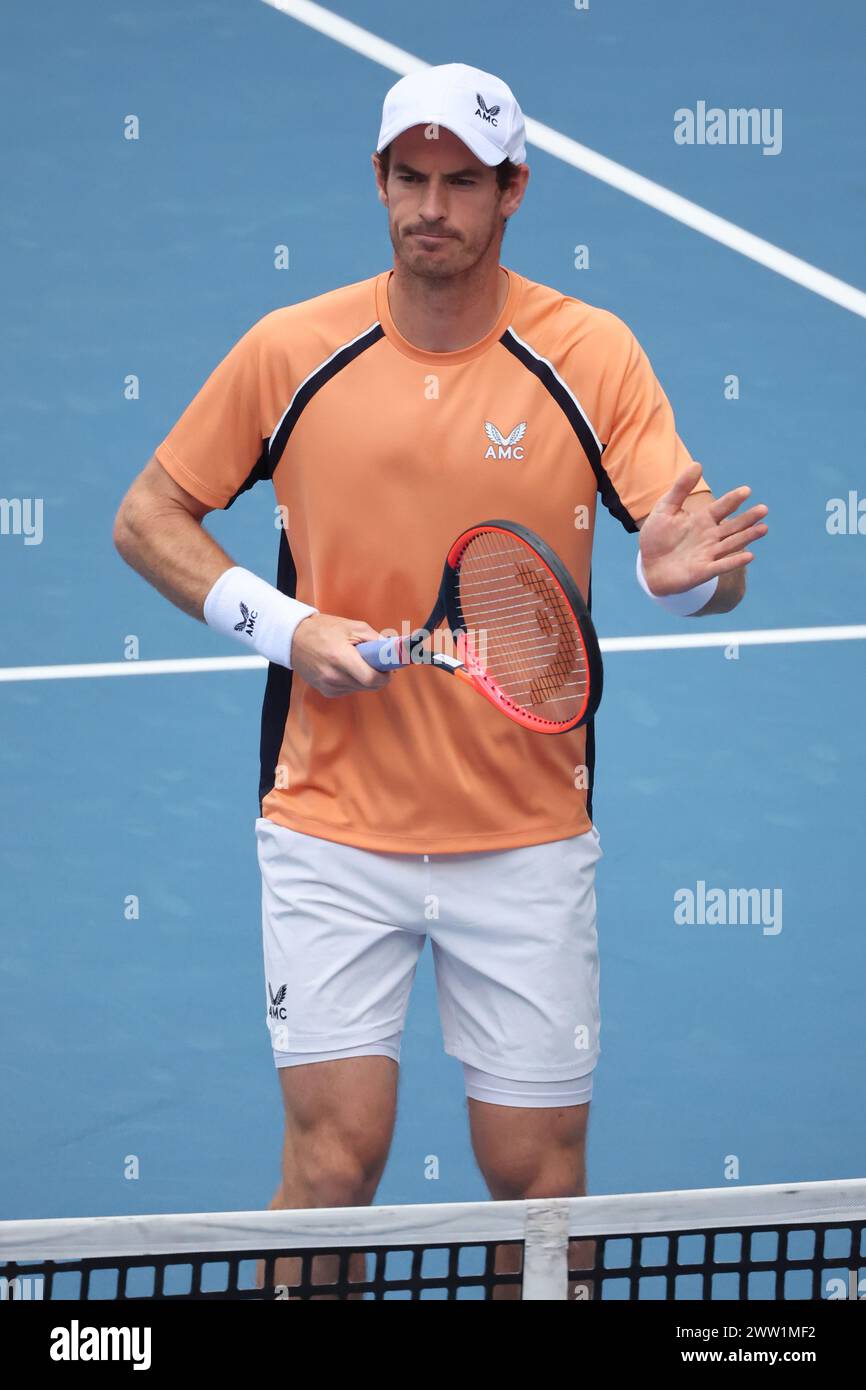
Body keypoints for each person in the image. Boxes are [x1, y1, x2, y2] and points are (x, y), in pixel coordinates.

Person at [113, 62, 768, 1257]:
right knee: (331, 1159)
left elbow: (703, 560)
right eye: (409, 177)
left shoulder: (590, 352)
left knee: (539, 1189)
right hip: (328, 824)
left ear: (511, 190)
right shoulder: (290, 347)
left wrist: (689, 582)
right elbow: (147, 515)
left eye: (461, 181)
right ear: (377, 181)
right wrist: (285, 626)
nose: (432, 205)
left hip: (524, 833)